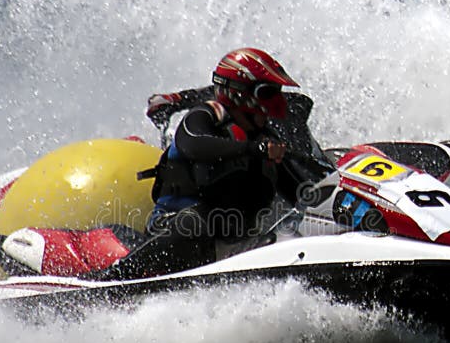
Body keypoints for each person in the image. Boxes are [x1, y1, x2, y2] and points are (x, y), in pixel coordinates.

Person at [93, 47, 328, 280]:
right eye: (269, 92)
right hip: (175, 233)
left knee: (291, 232)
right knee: (196, 221)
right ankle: (117, 277)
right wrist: (253, 149)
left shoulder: (267, 144)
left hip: (231, 248)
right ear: (238, 92)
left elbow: (306, 195)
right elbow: (194, 144)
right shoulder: (203, 117)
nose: (277, 99)